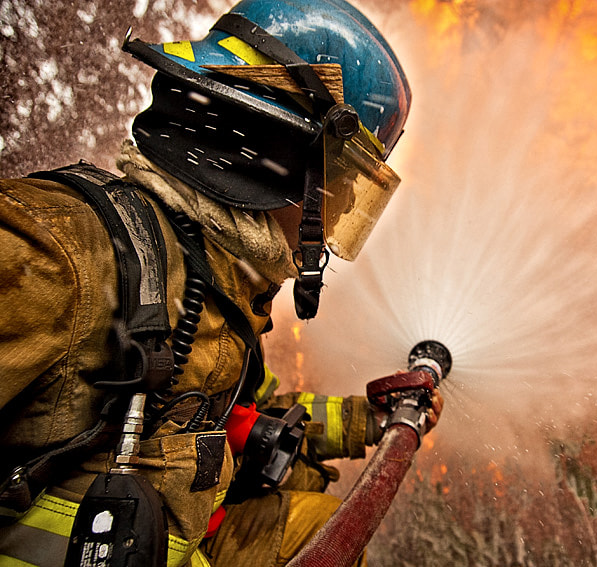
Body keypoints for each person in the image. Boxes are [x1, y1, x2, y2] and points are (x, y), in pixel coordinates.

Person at [0, 0, 442, 565]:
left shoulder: (215, 284)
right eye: (342, 177)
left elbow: (251, 411)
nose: (348, 201)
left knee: (312, 521)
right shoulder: (57, 253)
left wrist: (371, 419)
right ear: (272, 150)